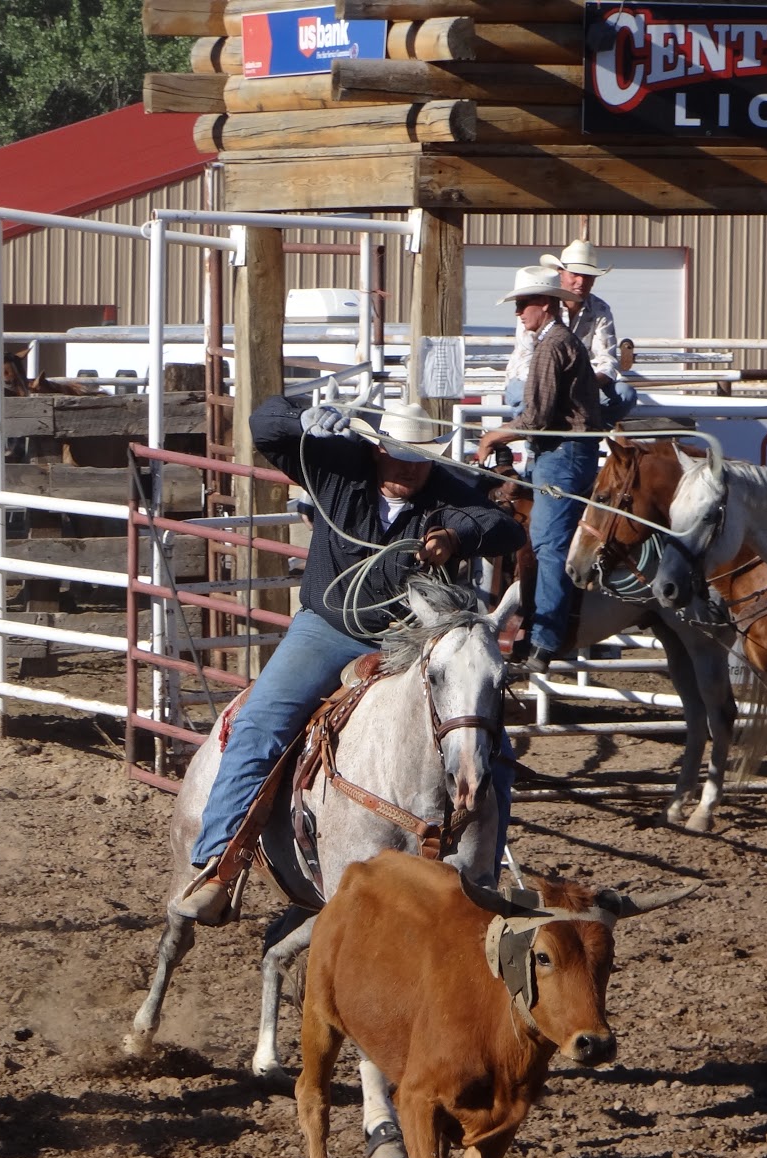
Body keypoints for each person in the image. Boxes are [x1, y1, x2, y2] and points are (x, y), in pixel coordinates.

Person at [179, 395, 525, 922]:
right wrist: (305, 417)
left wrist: (458, 536)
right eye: (400, 453)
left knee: (484, 740)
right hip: (329, 628)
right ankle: (218, 865)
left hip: (414, 637)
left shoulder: (445, 493)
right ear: (377, 449)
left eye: (421, 456)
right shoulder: (335, 466)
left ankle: (484, 877)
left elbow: (504, 527)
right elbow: (264, 425)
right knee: (261, 723)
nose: (411, 466)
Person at [477, 265, 603, 671]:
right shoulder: (558, 342)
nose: (518, 313)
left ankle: (544, 641)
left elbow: (538, 418)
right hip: (562, 453)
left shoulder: (551, 347)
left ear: (544, 304)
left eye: (522, 304)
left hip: (561, 454)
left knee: (549, 546)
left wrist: (496, 436)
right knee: (540, 535)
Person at [502, 241, 636, 427]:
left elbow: (607, 359)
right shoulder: (537, 307)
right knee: (527, 396)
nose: (581, 282)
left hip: (580, 383)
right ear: (560, 273)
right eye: (575, 274)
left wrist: (584, 384)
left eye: (588, 276)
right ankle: (546, 440)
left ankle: (583, 435)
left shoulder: (600, 309)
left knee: (624, 395)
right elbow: (527, 359)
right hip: (535, 379)